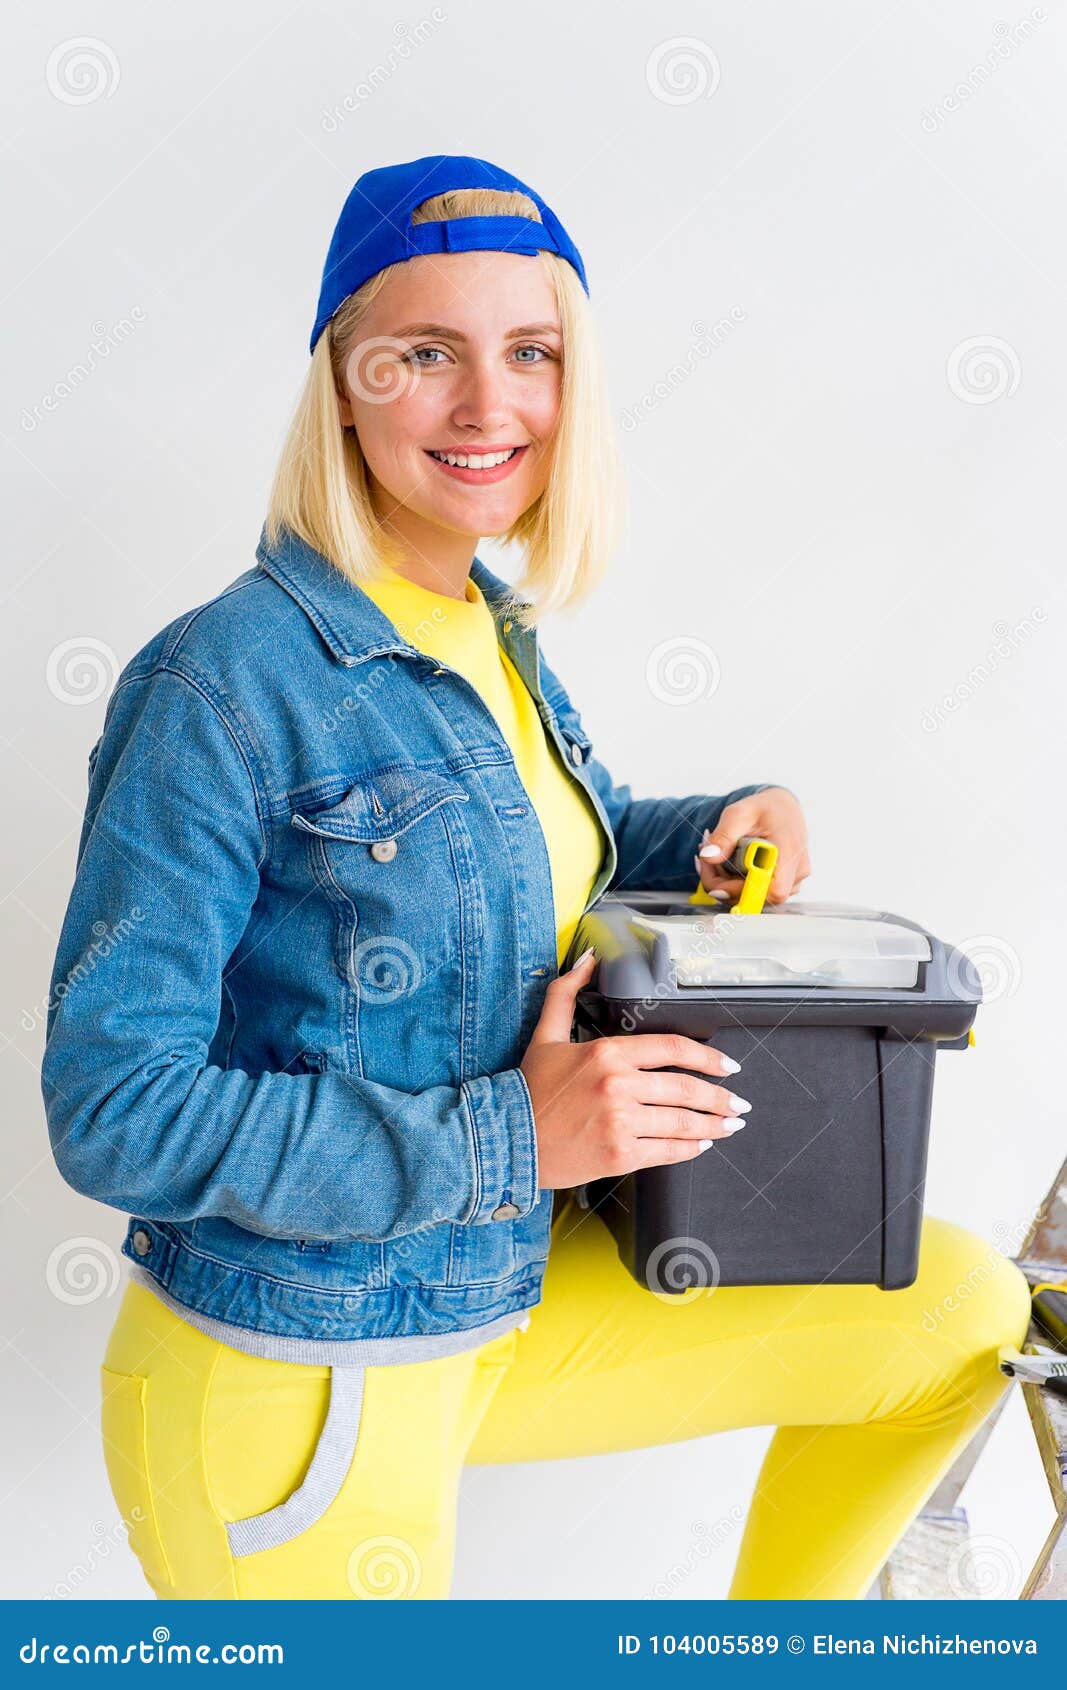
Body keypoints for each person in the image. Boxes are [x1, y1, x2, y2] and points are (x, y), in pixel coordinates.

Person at [41, 155, 1031, 1602]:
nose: (488, 405)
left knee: (952, 1307)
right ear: (343, 382)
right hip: (293, 1376)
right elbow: (113, 1109)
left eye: (534, 354)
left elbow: (534, 849)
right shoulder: (225, 679)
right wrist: (507, 1138)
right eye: (424, 352)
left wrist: (705, 827)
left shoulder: (481, 631)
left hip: (485, 1295)